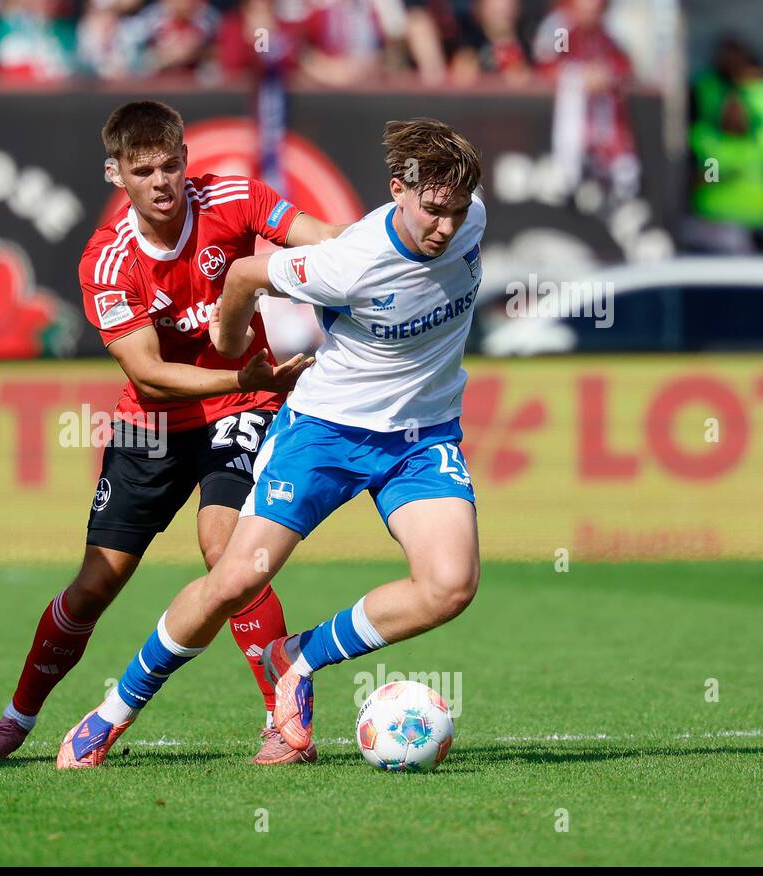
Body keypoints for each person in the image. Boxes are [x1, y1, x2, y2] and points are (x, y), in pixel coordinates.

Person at [54, 117, 485, 769]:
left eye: (456, 212)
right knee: (231, 581)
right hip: (324, 435)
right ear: (399, 190)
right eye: (433, 211)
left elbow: (457, 217)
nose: (446, 227)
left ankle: (296, 656)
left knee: (450, 586)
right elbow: (246, 274)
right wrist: (230, 347)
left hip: (423, 441)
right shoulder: (349, 261)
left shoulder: (471, 218)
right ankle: (112, 713)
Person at [0, 100, 345, 767]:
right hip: (154, 422)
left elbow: (325, 237)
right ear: (117, 174)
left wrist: (388, 253)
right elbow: (148, 374)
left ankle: (282, 718)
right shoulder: (107, 262)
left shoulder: (234, 198)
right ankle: (16, 719)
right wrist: (241, 378)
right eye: (144, 170)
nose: (162, 181)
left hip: (241, 408)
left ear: (187, 161)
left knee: (224, 546)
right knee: (93, 587)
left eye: (171, 164)